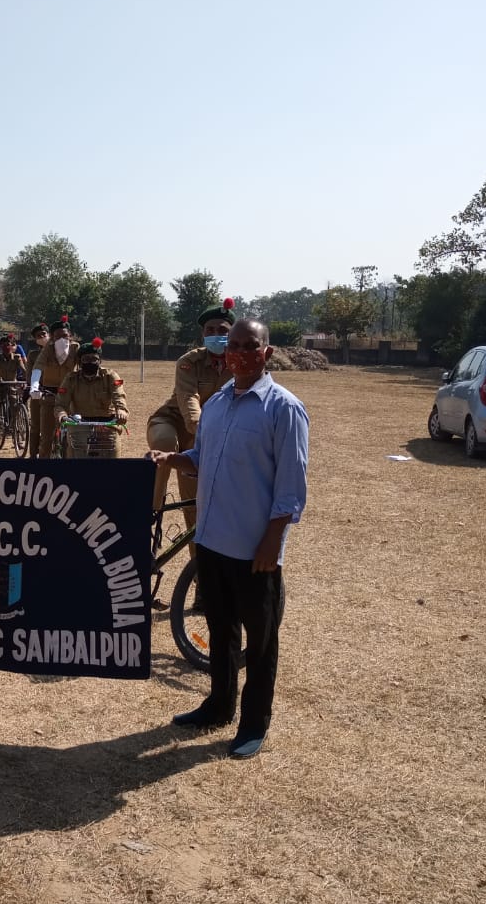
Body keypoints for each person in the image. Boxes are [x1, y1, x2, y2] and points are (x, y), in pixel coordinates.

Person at [148, 319, 308, 759]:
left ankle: (254, 724)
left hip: (254, 550)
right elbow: (202, 456)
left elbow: (292, 487)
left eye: (248, 346)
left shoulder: (283, 408)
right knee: (221, 633)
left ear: (266, 353)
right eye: (233, 346)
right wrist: (172, 457)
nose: (238, 353)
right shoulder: (217, 402)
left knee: (259, 643)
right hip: (212, 543)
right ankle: (219, 706)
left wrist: (272, 544)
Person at [147, 297, 236, 542]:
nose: (216, 334)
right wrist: (202, 431)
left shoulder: (239, 363)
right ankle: (151, 510)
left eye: (222, 331)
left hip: (206, 437)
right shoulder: (189, 362)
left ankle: (198, 573)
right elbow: (189, 399)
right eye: (210, 330)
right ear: (202, 334)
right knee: (164, 443)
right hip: (175, 422)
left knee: (195, 505)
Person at [55, 337, 128, 457]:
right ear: (79, 362)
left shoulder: (110, 376)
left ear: (100, 361)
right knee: (77, 453)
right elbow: (60, 403)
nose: (90, 362)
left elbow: (119, 396)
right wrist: (62, 415)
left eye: (94, 359)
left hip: (107, 423)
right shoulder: (71, 379)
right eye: (86, 359)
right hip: (79, 423)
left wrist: (121, 410)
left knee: (112, 455)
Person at [29, 316, 80, 457]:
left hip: (70, 397)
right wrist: (34, 386)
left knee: (74, 439)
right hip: (50, 396)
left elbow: (83, 365)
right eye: (58, 336)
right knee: (46, 439)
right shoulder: (48, 350)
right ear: (52, 337)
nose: (62, 339)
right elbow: (38, 367)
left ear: (70, 335)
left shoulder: (76, 348)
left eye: (65, 336)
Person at [24, 323, 50, 457]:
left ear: (49, 335)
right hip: (38, 393)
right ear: (35, 340)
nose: (42, 337)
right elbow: (29, 374)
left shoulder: (59, 351)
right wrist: (33, 387)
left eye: (44, 334)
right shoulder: (33, 355)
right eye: (38, 336)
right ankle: (33, 455)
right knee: (35, 427)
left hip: (56, 393)